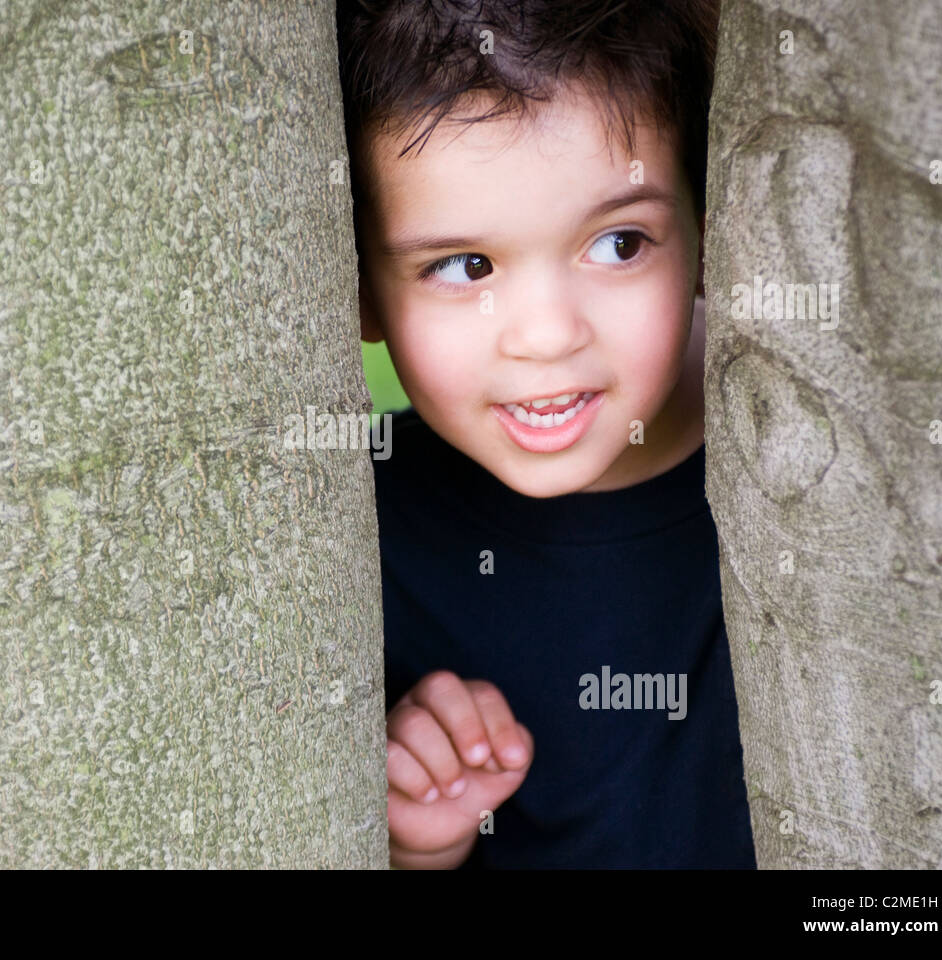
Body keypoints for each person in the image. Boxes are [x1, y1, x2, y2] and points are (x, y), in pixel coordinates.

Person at [338, 0, 757, 868]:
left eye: (619, 243)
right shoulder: (352, 539)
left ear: (716, 231)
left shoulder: (813, 483)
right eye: (464, 266)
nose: (545, 334)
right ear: (362, 291)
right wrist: (415, 846)